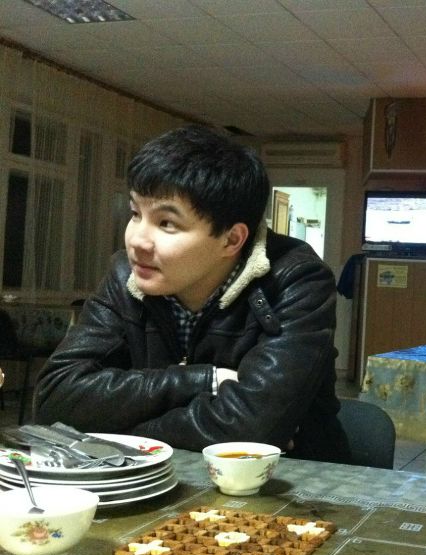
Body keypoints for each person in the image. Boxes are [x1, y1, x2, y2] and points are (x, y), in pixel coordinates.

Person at [35, 125, 350, 463]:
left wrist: (116, 429)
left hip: (294, 479)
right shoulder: (126, 276)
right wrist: (202, 380)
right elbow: (55, 397)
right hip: (160, 476)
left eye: (167, 223)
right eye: (136, 213)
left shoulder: (294, 279)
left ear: (231, 240)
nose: (137, 241)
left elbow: (251, 431)